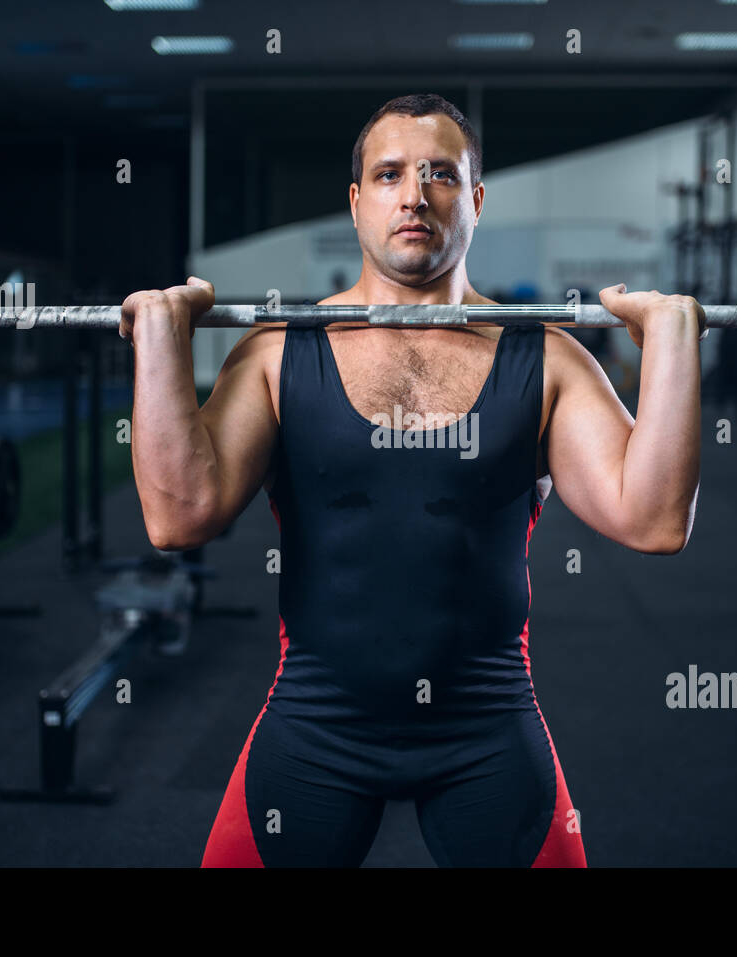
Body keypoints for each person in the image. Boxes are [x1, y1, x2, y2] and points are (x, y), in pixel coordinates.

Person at [119, 94, 705, 867]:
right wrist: (159, 341)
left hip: (487, 726)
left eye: (441, 175)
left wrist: (672, 344)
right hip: (314, 723)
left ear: (476, 200)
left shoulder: (549, 358)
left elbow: (655, 519)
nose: (414, 194)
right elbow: (178, 518)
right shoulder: (276, 353)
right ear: (358, 202)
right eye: (389, 173)